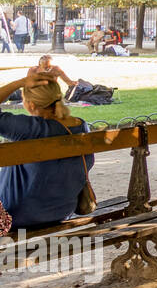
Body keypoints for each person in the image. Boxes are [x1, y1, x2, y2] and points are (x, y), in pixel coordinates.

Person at [0, 67, 95, 231]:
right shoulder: (81, 125)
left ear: (30, 105)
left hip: (16, 215)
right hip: (61, 211)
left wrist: (21, 82)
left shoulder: (31, 129)